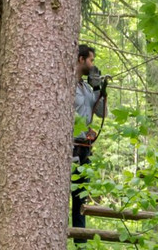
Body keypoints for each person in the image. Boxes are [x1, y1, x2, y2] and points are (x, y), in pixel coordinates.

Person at [72, 44, 107, 242]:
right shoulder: (64, 84)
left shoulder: (86, 88)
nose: (93, 65)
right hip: (68, 147)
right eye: (91, 60)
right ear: (81, 59)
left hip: (84, 149)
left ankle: (80, 244)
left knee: (80, 201)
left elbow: (101, 112)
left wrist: (97, 89)